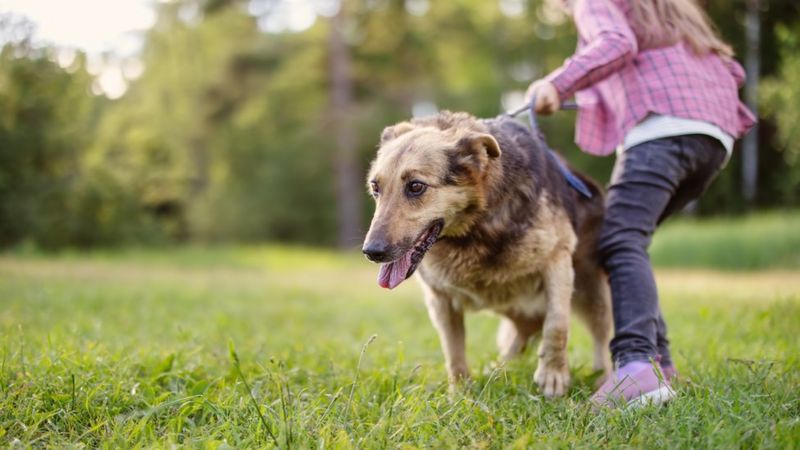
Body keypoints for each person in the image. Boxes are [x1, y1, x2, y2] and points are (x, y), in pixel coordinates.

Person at [525, 0, 756, 407]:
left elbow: (615, 43)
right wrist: (577, 96)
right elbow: (708, 71)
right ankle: (659, 367)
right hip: (712, 140)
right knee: (628, 241)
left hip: (661, 133)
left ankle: (635, 365)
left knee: (617, 241)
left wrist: (556, 83)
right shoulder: (667, 9)